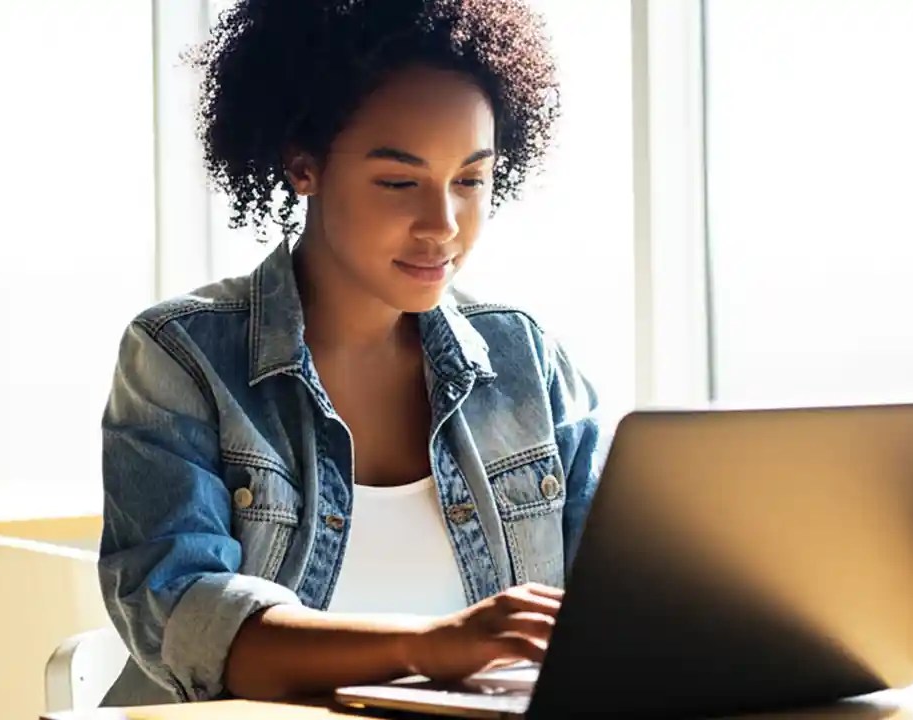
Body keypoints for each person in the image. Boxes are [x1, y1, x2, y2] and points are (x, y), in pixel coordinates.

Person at [97, 0, 607, 706]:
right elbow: (185, 618)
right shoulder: (181, 357)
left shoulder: (524, 358)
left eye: (471, 180)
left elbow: (623, 602)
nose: (443, 225)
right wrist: (427, 648)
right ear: (303, 167)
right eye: (400, 182)